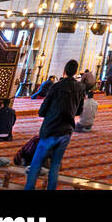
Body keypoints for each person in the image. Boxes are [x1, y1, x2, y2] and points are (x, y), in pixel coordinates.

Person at [24, 59, 85, 191]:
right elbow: (79, 110)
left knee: (36, 164)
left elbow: (43, 109)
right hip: (66, 131)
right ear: (75, 72)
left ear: (64, 71)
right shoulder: (80, 88)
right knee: (55, 166)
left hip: (51, 129)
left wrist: (45, 113)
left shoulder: (56, 86)